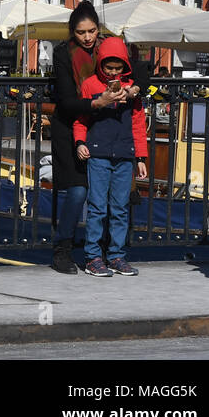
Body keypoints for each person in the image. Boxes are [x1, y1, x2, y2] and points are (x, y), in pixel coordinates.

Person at [47, 1, 138, 275]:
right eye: (80, 32)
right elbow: (66, 101)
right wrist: (97, 103)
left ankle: (108, 253)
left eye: (91, 31)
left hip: (108, 132)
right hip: (73, 128)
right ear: (72, 32)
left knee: (113, 197)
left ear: (98, 28)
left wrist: (133, 90)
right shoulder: (64, 53)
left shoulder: (110, 48)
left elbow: (138, 73)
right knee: (78, 192)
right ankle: (63, 250)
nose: (87, 38)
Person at [72, 36, 148, 278]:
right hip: (99, 154)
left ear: (125, 66)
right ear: (101, 64)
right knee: (96, 207)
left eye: (118, 68)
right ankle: (93, 257)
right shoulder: (91, 85)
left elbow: (138, 124)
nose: (113, 72)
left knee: (119, 207)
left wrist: (141, 157)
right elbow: (80, 118)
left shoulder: (131, 89)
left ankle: (116, 255)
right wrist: (80, 142)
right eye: (109, 67)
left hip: (125, 155)